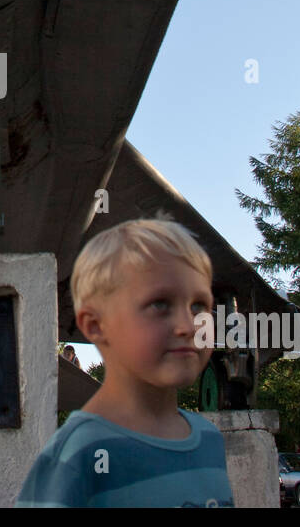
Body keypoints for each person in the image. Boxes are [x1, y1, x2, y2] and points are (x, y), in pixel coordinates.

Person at [16, 217, 235, 507]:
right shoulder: (79, 453)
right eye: (159, 304)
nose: (188, 325)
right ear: (96, 325)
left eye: (198, 305)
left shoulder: (210, 440)